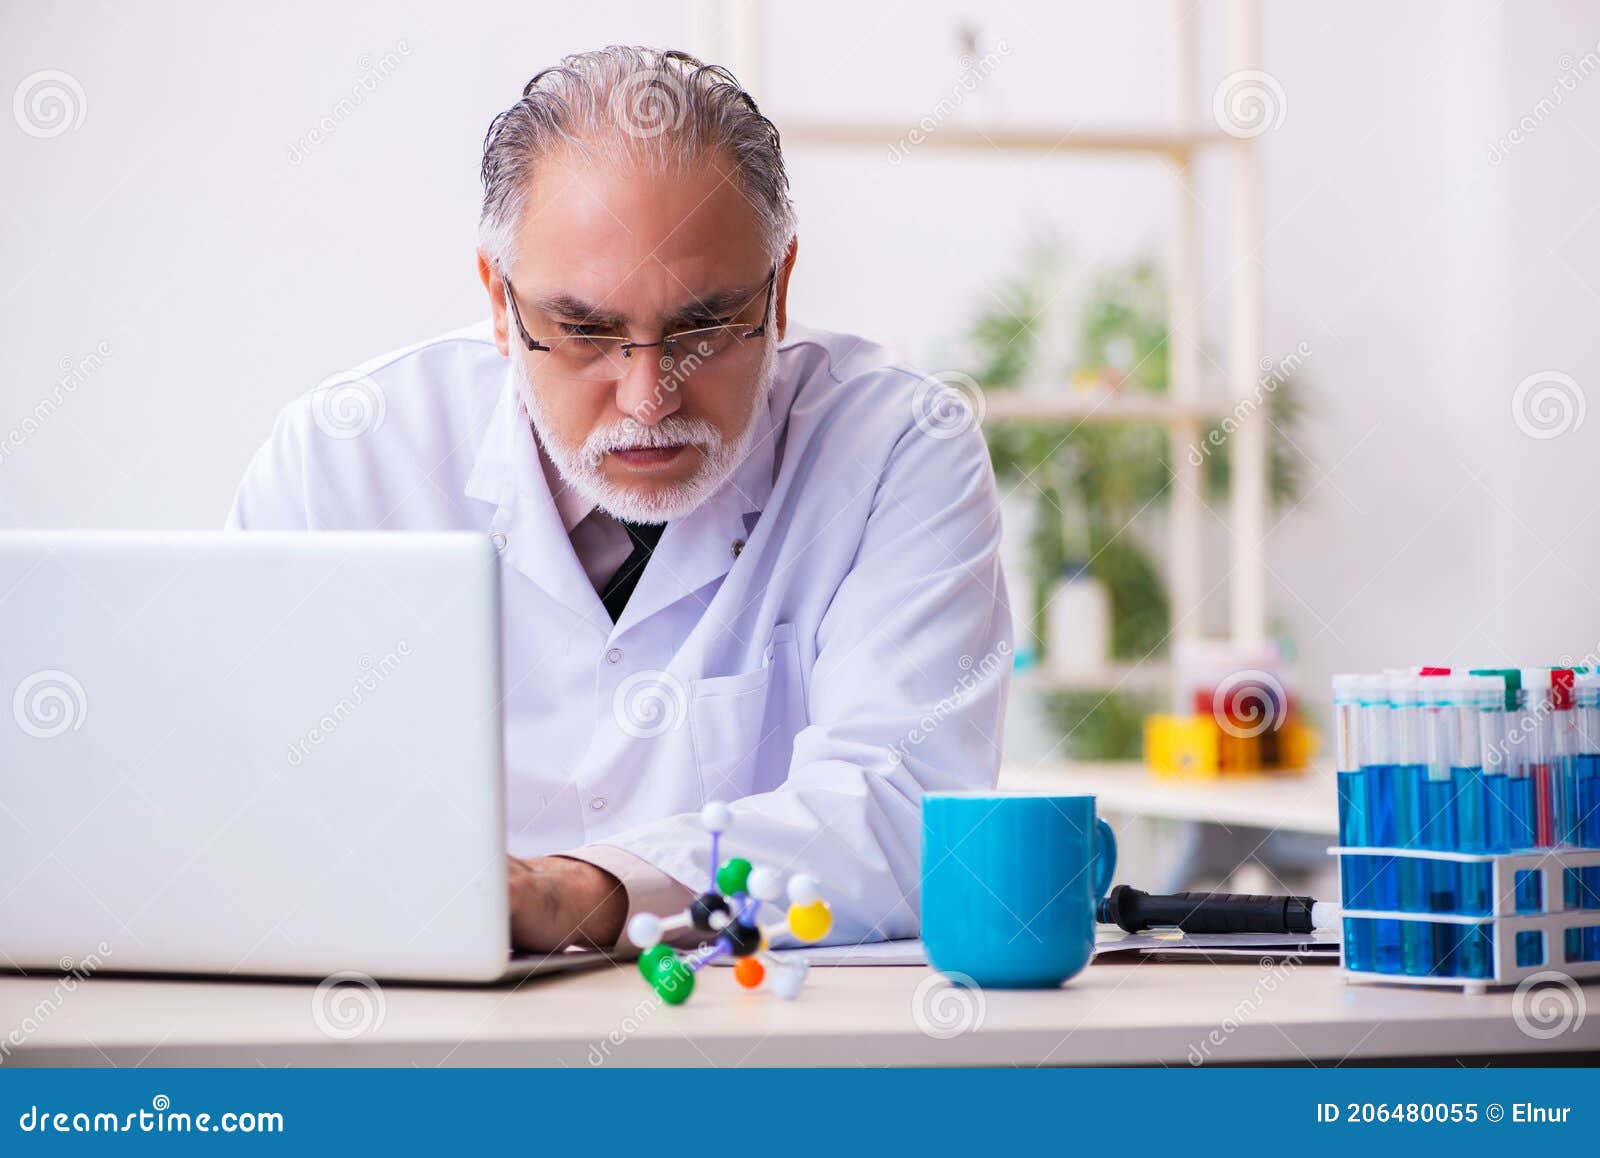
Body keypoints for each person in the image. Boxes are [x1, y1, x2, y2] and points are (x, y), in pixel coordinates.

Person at [228, 46, 1010, 954]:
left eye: (704, 327)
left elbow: (909, 808)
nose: (650, 399)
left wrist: (592, 892)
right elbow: (252, 799)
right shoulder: (346, 460)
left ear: (781, 286)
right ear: (498, 298)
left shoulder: (896, 446)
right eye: (587, 331)